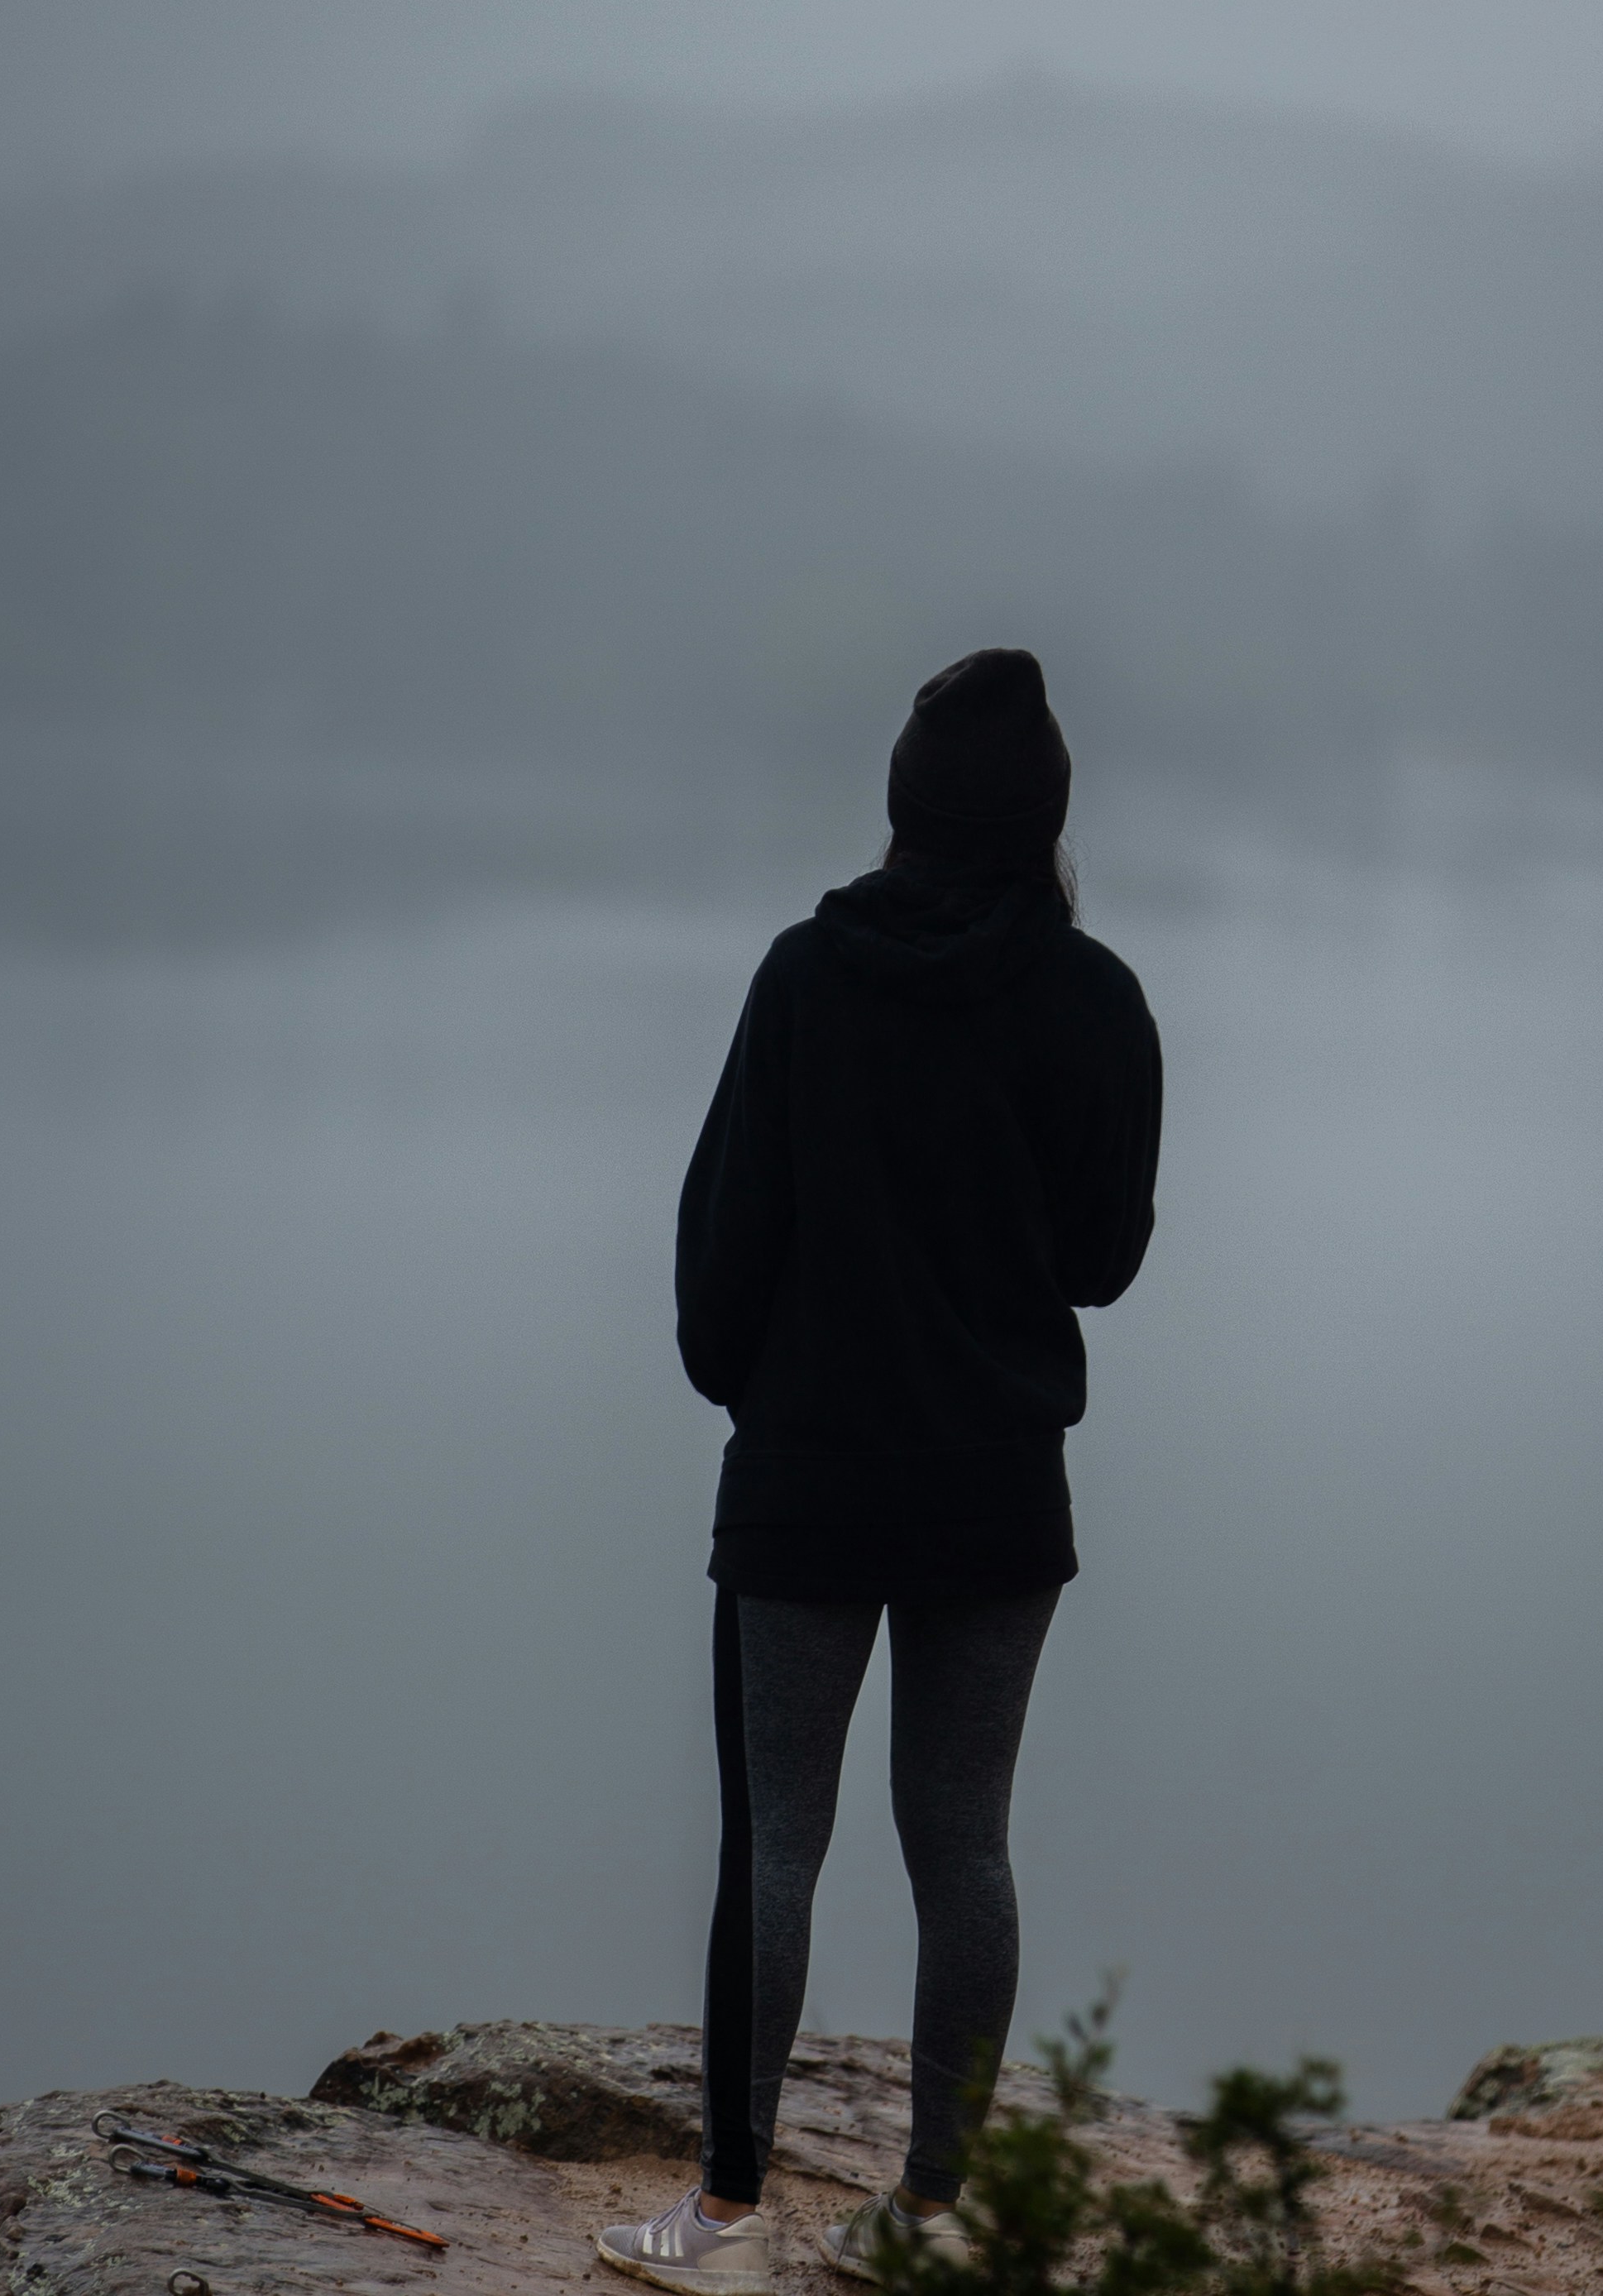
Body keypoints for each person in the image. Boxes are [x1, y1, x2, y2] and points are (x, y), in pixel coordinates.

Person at [598, 649, 1162, 2294]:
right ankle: (932, 2217)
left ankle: (717, 2217)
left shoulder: (802, 978)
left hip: (810, 1475)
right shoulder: (1095, 997)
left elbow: (721, 1254)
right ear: (1046, 816)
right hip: (994, 1479)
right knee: (964, 1840)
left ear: (903, 806)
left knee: (779, 1834)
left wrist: (749, 1391)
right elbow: (1104, 1258)